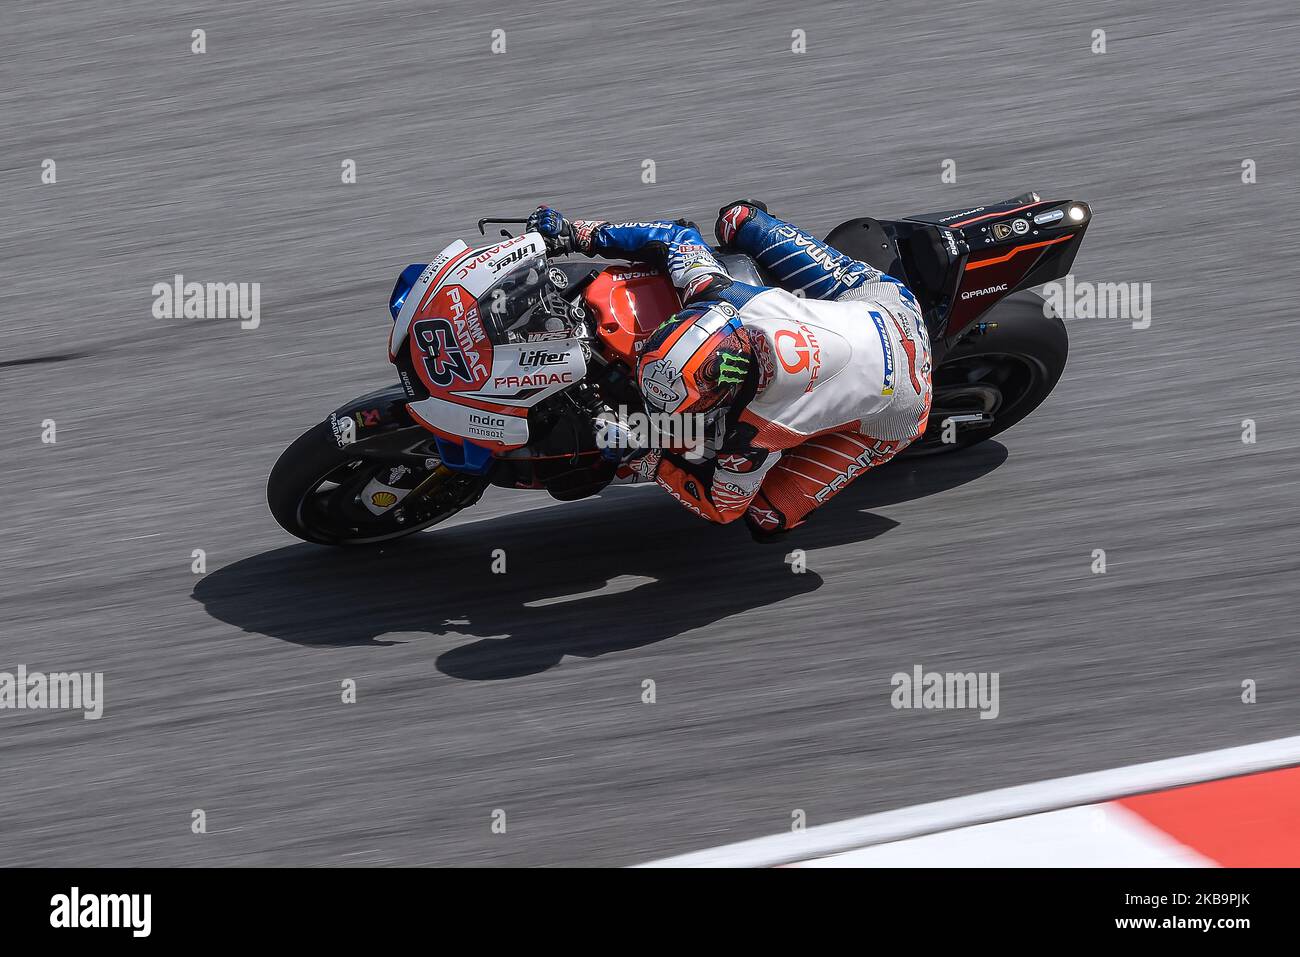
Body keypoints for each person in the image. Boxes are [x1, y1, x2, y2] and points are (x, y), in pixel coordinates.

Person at [527, 201, 933, 540]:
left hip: (902, 406)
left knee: (766, 519)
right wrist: (577, 233)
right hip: (883, 303)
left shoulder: (755, 434)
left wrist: (649, 455)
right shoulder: (725, 296)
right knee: (737, 218)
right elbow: (675, 237)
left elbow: (723, 508)